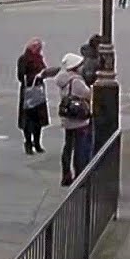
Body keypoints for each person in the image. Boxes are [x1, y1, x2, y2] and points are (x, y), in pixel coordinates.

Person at [55, 53, 93, 186]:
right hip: (78, 120)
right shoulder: (76, 81)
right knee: (80, 148)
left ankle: (66, 174)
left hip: (67, 119)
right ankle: (80, 175)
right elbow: (88, 94)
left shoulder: (62, 79)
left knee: (67, 146)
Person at [16, 38, 50, 155]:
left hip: (39, 90)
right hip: (29, 91)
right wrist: (34, 77)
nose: (40, 50)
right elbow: (21, 76)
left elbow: (44, 69)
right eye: (38, 47)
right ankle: (28, 143)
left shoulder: (39, 58)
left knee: (38, 119)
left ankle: (37, 142)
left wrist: (44, 74)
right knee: (28, 119)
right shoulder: (24, 59)